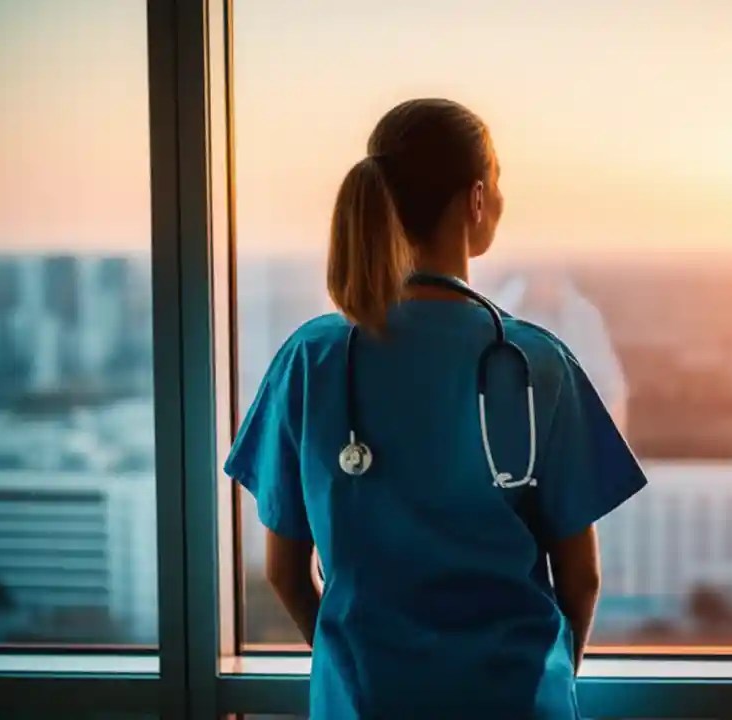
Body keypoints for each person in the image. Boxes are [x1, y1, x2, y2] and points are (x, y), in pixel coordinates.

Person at [225, 98, 647, 719]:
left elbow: (284, 573)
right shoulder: (539, 363)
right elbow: (579, 580)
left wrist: (352, 666)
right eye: (497, 186)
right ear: (476, 200)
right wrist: (544, 679)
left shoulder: (311, 360)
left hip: (365, 702)